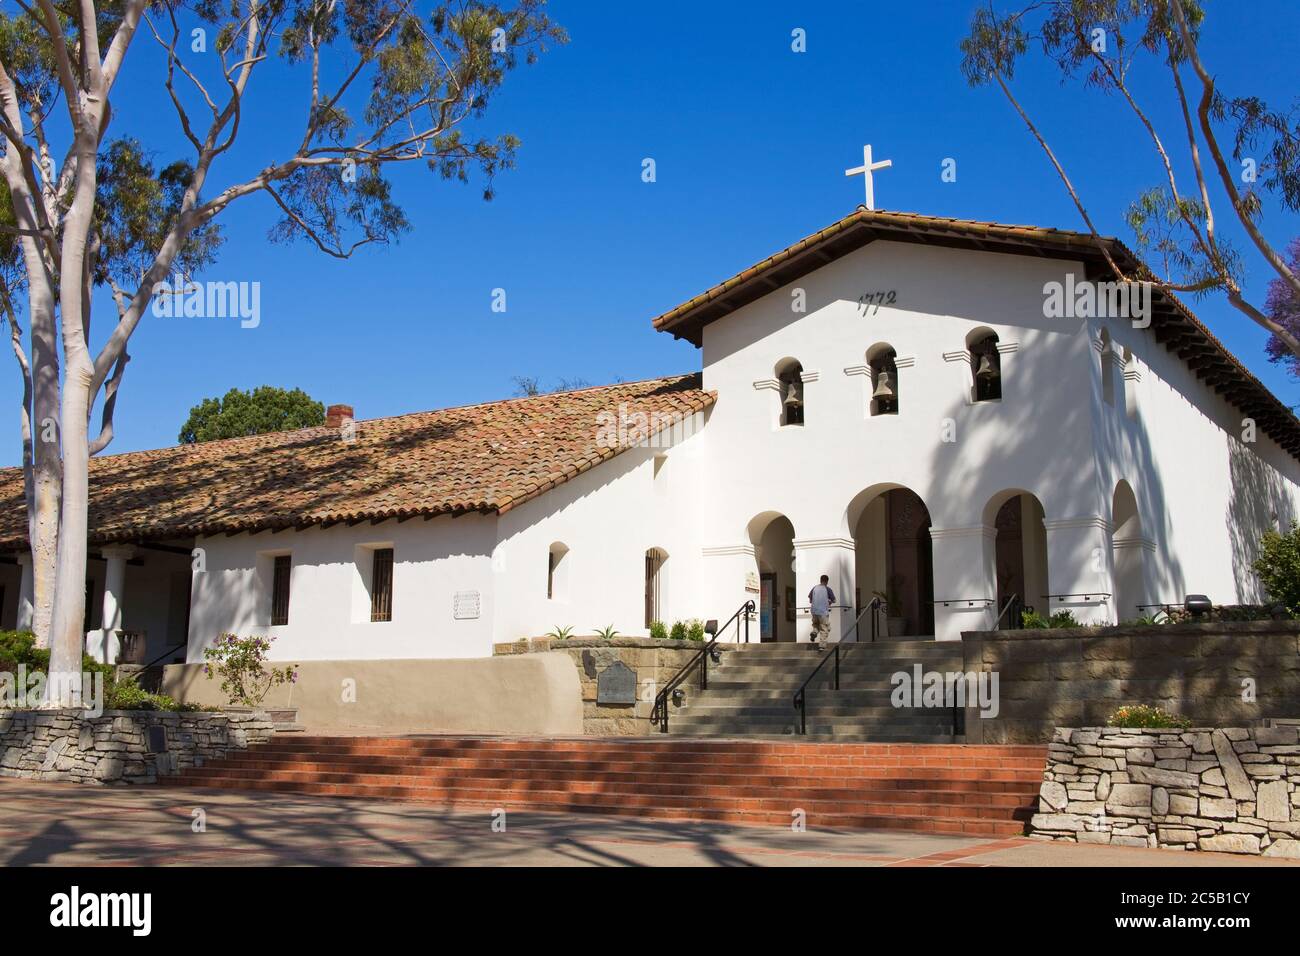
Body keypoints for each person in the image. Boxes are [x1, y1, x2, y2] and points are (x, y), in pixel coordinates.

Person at [808, 574, 836, 650]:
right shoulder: (827, 589)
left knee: (816, 624)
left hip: (814, 611)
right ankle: (822, 646)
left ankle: (814, 632)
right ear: (827, 581)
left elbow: (810, 599)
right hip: (823, 612)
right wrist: (829, 601)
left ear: (820, 580)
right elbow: (834, 600)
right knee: (824, 628)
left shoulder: (814, 588)